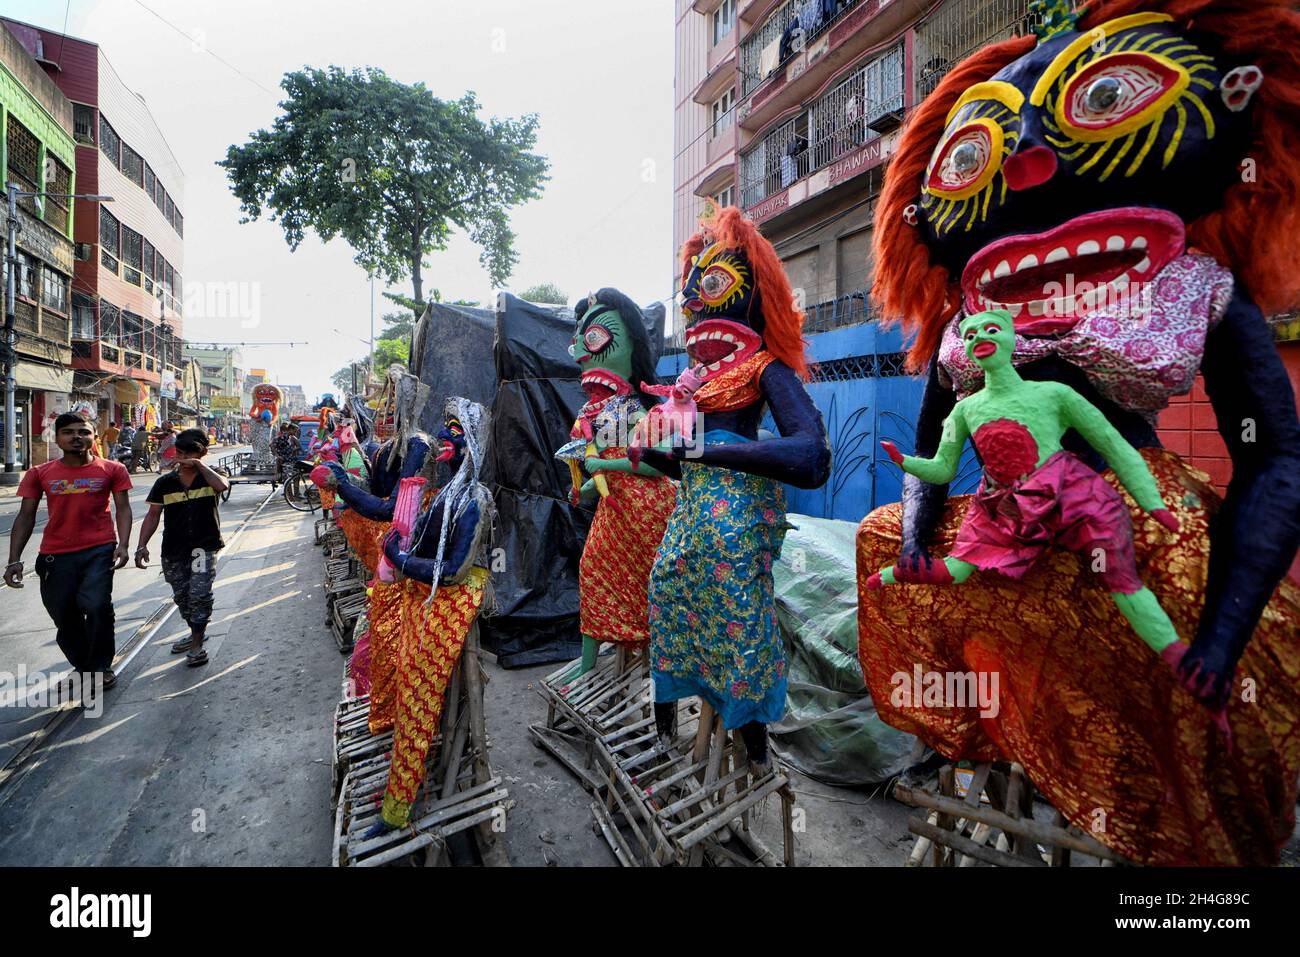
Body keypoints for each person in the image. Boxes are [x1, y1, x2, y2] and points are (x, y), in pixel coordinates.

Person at [4, 411, 133, 689]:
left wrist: (123, 544)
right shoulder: (40, 474)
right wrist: (13, 560)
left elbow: (123, 508)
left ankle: (100, 667)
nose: (77, 437)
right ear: (57, 437)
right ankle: (83, 666)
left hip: (99, 548)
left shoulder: (113, 469)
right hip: (55, 555)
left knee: (97, 605)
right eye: (69, 432)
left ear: (93, 437)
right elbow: (25, 516)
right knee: (63, 613)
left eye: (84, 432)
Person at [135, 429, 229, 667]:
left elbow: (222, 486)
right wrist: (141, 545)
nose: (183, 458)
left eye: (190, 454)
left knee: (200, 594)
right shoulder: (165, 483)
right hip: (174, 550)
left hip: (203, 548)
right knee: (182, 596)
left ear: (202, 453)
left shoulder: (212, 475)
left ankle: (197, 644)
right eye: (180, 453)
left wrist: (199, 465)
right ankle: (195, 631)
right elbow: (152, 515)